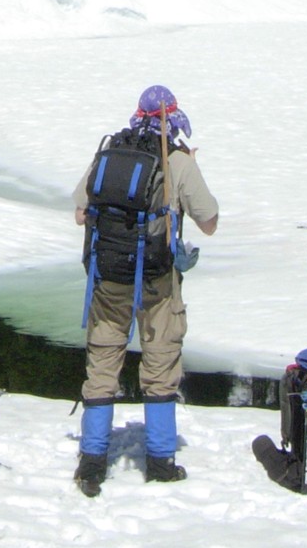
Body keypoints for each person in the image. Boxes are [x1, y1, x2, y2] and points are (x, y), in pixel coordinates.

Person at [71, 85, 218, 495]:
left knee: (102, 362)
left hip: (108, 276)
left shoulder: (110, 153)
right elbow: (209, 221)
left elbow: (80, 211)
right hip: (156, 279)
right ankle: (160, 461)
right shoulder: (177, 162)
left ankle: (93, 461)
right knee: (160, 364)